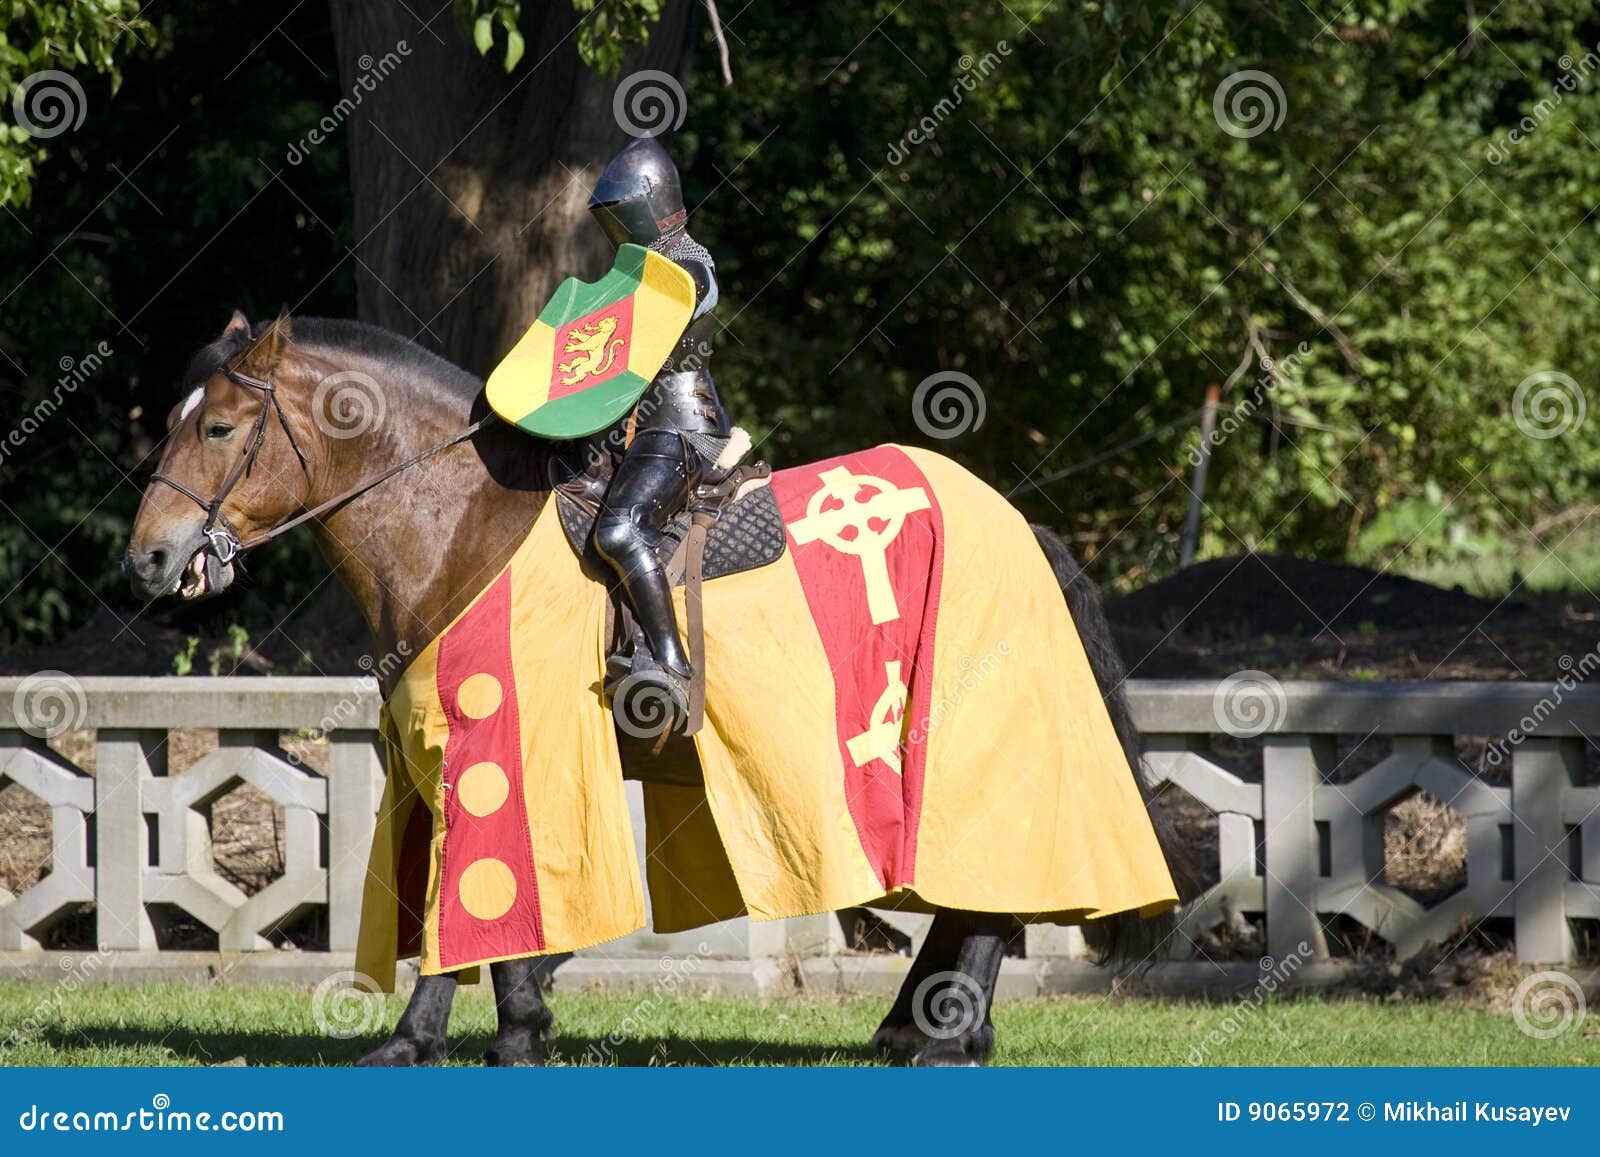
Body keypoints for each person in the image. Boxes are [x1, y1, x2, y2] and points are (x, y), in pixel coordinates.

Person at [586, 136, 742, 720]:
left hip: (680, 430)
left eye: (621, 213)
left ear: (649, 205)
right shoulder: (634, 279)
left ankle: (669, 663)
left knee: (621, 532)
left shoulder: (688, 267)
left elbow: (657, 323)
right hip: (628, 431)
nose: (615, 228)